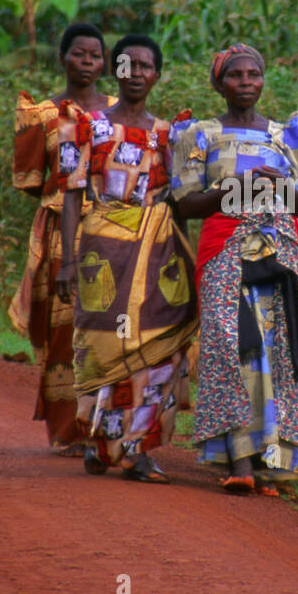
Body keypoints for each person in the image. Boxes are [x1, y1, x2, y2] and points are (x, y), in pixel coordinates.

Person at [170, 43, 298, 496]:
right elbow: (186, 203)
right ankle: (238, 458)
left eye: (254, 74)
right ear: (219, 83)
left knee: (275, 347)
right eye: (236, 75)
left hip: (276, 248)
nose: (247, 82)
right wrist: (237, 187)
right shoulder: (198, 135)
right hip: (223, 247)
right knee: (230, 343)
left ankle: (271, 461)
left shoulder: (285, 135)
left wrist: (276, 187)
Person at [55, 34, 198, 483]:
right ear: (114, 71)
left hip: (159, 251)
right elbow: (72, 195)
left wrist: (186, 258)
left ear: (157, 75)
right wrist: (67, 261)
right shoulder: (83, 126)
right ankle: (99, 439)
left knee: (159, 347)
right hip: (103, 251)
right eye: (127, 65)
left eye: (145, 66)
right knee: (102, 344)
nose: (136, 73)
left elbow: (180, 202)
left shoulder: (172, 134)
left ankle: (137, 448)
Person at [9, 23, 114, 454]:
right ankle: (68, 430)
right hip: (62, 234)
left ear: (105, 62)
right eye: (79, 53)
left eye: (95, 55)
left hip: (113, 229)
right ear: (63, 58)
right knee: (64, 329)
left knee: (108, 326)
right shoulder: (42, 114)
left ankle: (106, 425)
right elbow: (31, 179)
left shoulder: (118, 111)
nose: (87, 62)